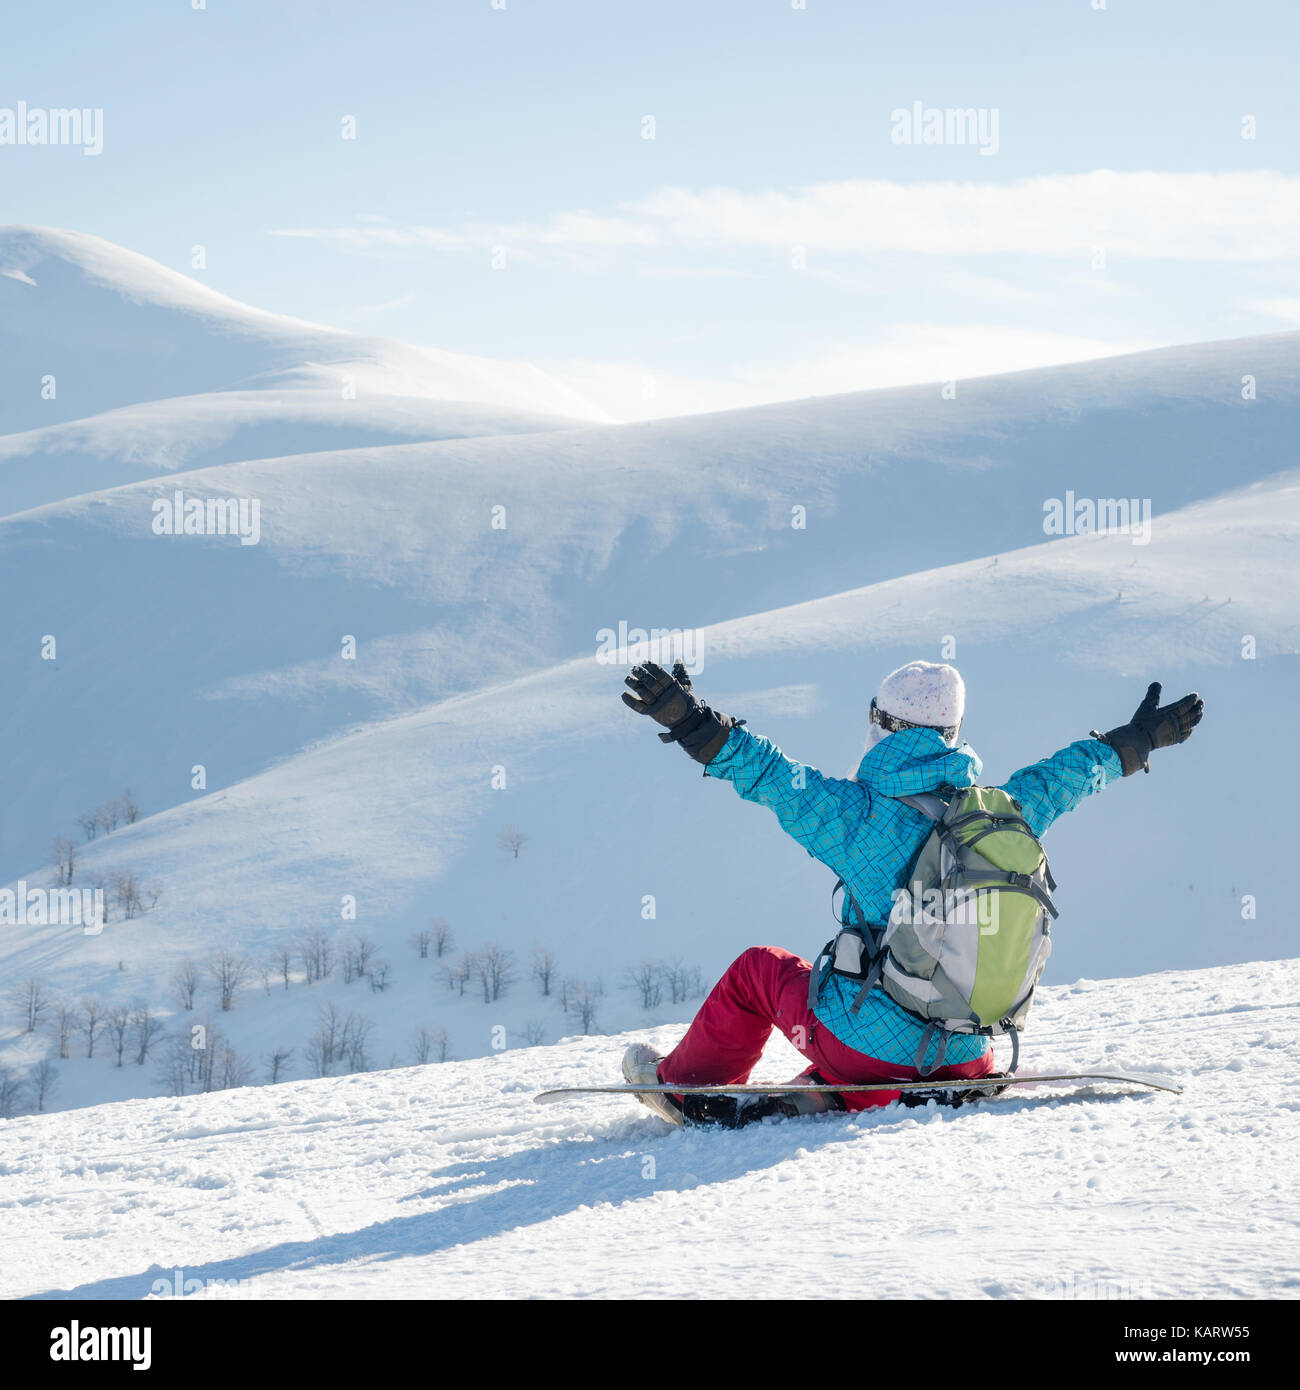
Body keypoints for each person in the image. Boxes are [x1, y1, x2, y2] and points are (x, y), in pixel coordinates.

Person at [620, 658, 1203, 1127]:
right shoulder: (1003, 813)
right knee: (877, 1009)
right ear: (953, 734)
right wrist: (1139, 739)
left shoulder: (857, 815)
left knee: (759, 970)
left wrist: (690, 719)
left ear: (882, 724)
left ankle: (685, 1088)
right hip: (971, 1057)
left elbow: (769, 773)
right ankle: (836, 1093)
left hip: (872, 1054)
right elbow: (1070, 774)